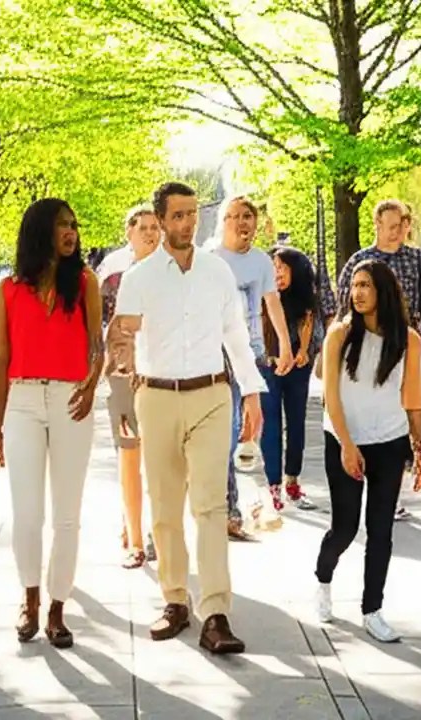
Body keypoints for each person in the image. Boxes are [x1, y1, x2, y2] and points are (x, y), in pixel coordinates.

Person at [111, 181, 264, 654]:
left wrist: (253, 391)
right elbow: (122, 339)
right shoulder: (139, 278)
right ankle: (175, 600)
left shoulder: (216, 272)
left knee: (210, 505)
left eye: (192, 214)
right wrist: (120, 395)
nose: (186, 224)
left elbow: (235, 335)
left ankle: (216, 612)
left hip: (212, 394)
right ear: (159, 221)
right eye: (176, 216)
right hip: (155, 397)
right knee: (165, 506)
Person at [0, 198, 104, 649]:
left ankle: (58, 607)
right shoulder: (8, 288)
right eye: (61, 225)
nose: (71, 233)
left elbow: (98, 343)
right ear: (40, 230)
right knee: (27, 513)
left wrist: (92, 385)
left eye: (74, 225)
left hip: (71, 397)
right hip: (21, 400)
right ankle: (29, 598)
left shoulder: (86, 281)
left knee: (67, 514)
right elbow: (1, 359)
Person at [313, 260, 421, 642]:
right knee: (344, 528)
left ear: (384, 291)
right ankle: (323, 580)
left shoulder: (408, 339)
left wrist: (419, 447)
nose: (357, 293)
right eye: (354, 286)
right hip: (344, 439)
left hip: (390, 442)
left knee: (381, 531)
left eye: (366, 286)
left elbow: (412, 396)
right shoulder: (340, 335)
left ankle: (372, 609)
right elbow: (331, 396)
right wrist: (346, 444)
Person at [335, 200, 421, 521]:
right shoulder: (359, 261)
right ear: (378, 226)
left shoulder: (418, 260)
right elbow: (345, 308)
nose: (397, 232)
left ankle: (393, 488)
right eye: (391, 225)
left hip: (405, 346)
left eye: (401, 225)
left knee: (401, 416)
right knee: (367, 416)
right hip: (364, 348)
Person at [210, 195, 294, 540]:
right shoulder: (210, 258)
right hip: (215, 355)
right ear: (222, 221)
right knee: (225, 435)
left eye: (248, 216)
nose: (242, 223)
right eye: (234, 216)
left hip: (252, 353)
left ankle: (238, 506)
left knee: (248, 434)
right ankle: (228, 511)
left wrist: (286, 345)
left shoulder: (261, 261)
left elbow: (271, 303)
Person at [99, 205, 162, 568]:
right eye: (143, 228)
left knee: (164, 462)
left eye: (156, 227)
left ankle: (152, 528)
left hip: (164, 379)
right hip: (124, 381)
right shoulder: (114, 277)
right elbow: (102, 328)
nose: (151, 233)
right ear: (129, 233)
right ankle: (135, 539)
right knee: (130, 456)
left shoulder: (175, 274)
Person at [259, 246, 320, 512]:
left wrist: (303, 352)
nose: (277, 273)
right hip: (267, 367)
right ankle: (273, 485)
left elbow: (307, 323)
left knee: (296, 423)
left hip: (297, 367)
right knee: (270, 424)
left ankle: (292, 480)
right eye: (273, 267)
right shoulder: (262, 294)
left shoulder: (305, 299)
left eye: (282, 267)